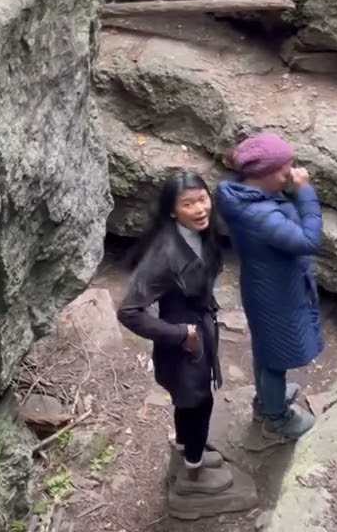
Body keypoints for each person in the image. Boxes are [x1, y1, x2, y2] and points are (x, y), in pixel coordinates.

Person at [116, 170, 233, 496]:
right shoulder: (164, 254)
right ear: (172, 211)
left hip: (196, 333)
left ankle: (186, 449)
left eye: (202, 199)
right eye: (188, 204)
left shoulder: (199, 235)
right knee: (198, 403)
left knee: (188, 401)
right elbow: (128, 311)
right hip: (182, 343)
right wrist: (181, 334)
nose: (200, 209)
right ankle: (193, 474)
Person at [215, 131, 322, 441]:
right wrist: (306, 193)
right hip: (276, 295)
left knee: (266, 350)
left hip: (265, 286)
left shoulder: (244, 196)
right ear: (263, 173)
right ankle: (275, 419)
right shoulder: (258, 215)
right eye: (284, 171)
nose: (290, 175)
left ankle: (266, 399)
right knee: (276, 358)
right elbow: (308, 241)